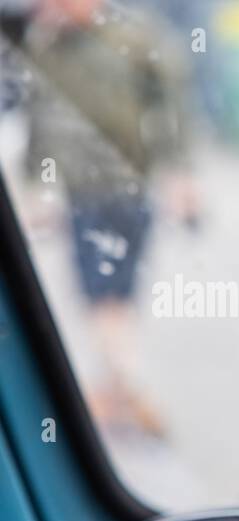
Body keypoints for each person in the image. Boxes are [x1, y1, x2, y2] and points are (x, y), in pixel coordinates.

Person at [3, 0, 197, 434]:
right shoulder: (47, 42)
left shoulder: (134, 34)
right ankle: (118, 387)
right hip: (79, 192)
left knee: (111, 297)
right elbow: (39, 115)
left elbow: (173, 102)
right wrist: (36, 186)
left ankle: (125, 386)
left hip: (128, 186)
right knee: (103, 297)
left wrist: (181, 173)